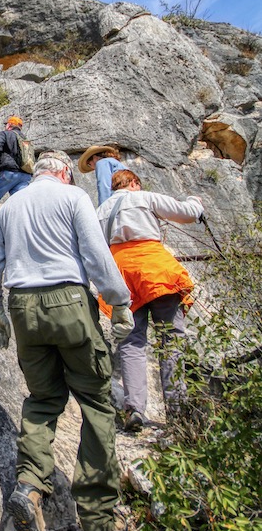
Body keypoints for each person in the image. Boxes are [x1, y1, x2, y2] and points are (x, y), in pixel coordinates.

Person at [0, 152, 134, 531]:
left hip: (22, 307)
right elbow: (96, 255)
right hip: (69, 301)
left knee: (43, 398)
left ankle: (29, 486)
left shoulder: (10, 206)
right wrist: (119, 301)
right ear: (65, 172)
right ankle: (97, 522)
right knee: (96, 403)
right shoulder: (72, 197)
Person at [96, 169, 204, 431]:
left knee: (131, 341)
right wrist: (196, 203)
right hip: (154, 270)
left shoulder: (102, 210)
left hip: (122, 274)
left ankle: (134, 408)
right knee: (171, 339)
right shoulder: (144, 197)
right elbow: (186, 213)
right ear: (134, 183)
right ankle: (177, 412)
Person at [0, 117, 32, 224]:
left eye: (6, 124)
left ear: (9, 125)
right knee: (19, 202)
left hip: (9, 173)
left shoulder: (4, 134)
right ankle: (21, 227)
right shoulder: (25, 139)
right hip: (25, 175)